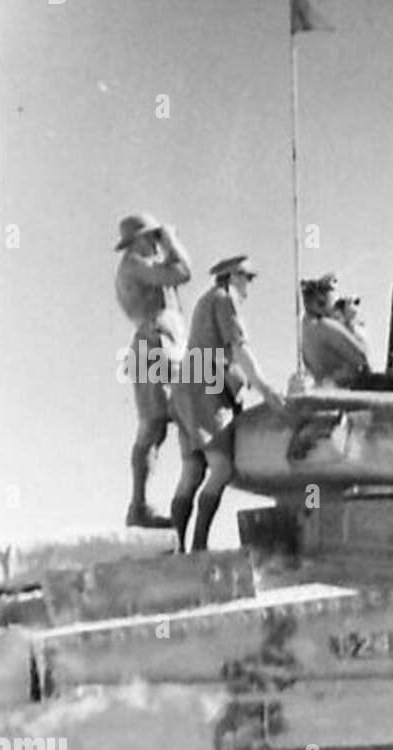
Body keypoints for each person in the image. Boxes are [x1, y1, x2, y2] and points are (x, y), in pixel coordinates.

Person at [169, 255, 284, 552]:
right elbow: (238, 347)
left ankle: (176, 548)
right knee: (221, 469)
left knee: (192, 472)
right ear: (233, 277)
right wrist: (264, 388)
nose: (249, 285)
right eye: (247, 278)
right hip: (207, 391)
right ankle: (198, 548)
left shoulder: (207, 300)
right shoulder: (224, 299)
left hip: (186, 391)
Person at [114, 212, 192, 528]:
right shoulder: (134, 263)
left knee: (161, 424)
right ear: (140, 239)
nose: (157, 243)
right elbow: (184, 271)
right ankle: (139, 506)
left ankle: (142, 506)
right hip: (155, 345)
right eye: (153, 237)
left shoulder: (145, 266)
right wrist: (172, 239)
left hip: (164, 344)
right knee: (156, 424)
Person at [301, 273, 371, 387]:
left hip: (323, 388)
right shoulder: (324, 326)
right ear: (321, 300)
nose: (336, 306)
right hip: (343, 391)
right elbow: (362, 358)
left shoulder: (306, 327)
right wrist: (351, 324)